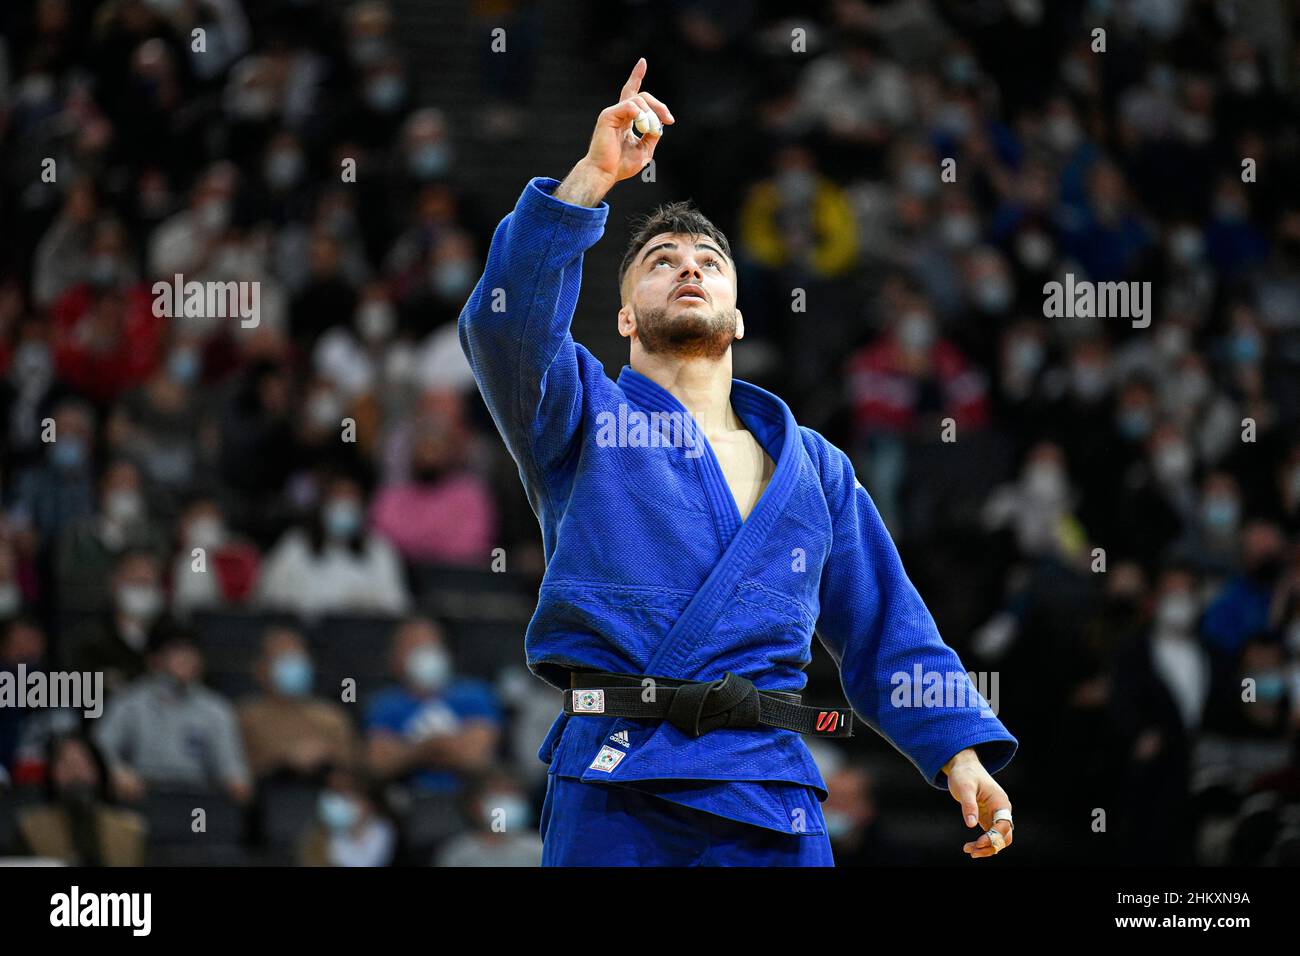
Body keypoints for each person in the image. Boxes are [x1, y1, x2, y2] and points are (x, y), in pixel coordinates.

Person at [457, 59, 1018, 867]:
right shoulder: (579, 413)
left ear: (738, 315)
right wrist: (594, 176)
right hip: (617, 784)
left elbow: (886, 628)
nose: (688, 267)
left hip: (769, 792)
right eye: (660, 261)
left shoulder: (813, 468)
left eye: (708, 263)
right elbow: (505, 327)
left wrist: (958, 753)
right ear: (622, 316)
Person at [93, 625, 251, 805]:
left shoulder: (216, 709)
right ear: (154, 660)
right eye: (176, 652)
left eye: (191, 653)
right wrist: (118, 772)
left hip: (196, 801)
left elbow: (231, 768)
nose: (186, 659)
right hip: (142, 796)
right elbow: (99, 749)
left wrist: (237, 783)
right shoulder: (129, 703)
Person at [363, 617, 500, 794]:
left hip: (467, 799)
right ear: (395, 656)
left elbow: (475, 758)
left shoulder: (474, 695)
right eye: (413, 645)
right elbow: (379, 765)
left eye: (429, 643)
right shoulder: (384, 704)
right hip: (405, 800)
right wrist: (441, 747)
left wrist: (410, 751)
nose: (422, 652)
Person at [238, 627, 357, 781]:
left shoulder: (332, 716)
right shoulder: (246, 717)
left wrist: (328, 755)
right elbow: (238, 777)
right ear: (260, 669)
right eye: (283, 659)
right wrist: (284, 760)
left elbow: (353, 771)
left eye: (298, 658)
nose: (293, 665)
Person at [14, 734, 146, 867]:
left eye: (83, 762)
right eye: (65, 763)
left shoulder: (131, 830)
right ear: (51, 773)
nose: (75, 771)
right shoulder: (30, 830)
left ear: (98, 770)